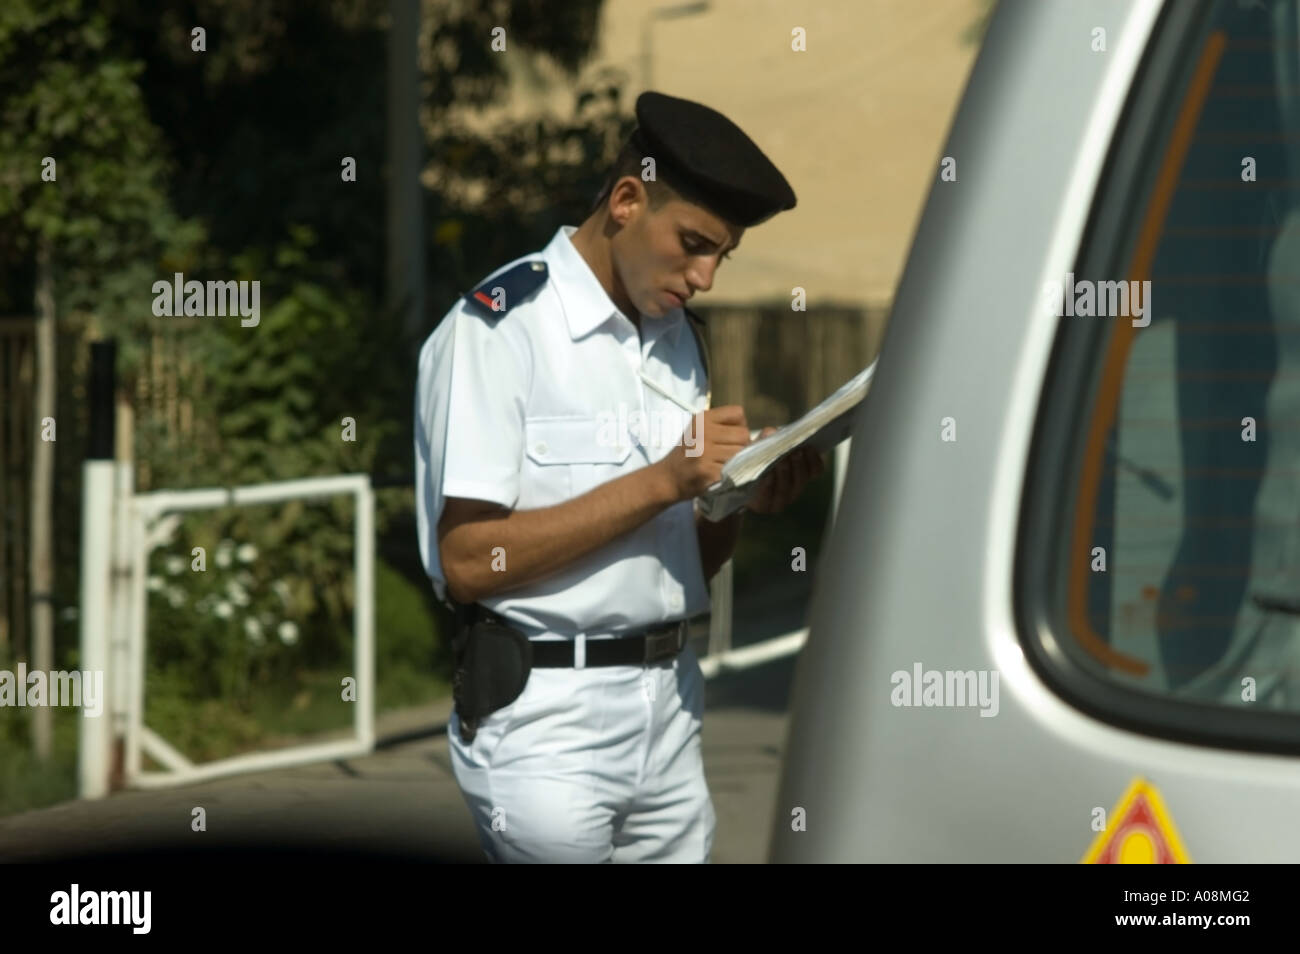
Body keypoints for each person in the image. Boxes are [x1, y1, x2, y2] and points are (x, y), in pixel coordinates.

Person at [414, 90, 823, 863]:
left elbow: (683, 566)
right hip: (545, 725)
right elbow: (469, 564)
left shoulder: (676, 340)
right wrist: (666, 481)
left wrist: (736, 492)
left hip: (669, 708)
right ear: (628, 201)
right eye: (695, 243)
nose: (705, 277)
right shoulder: (499, 330)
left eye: (721, 256)